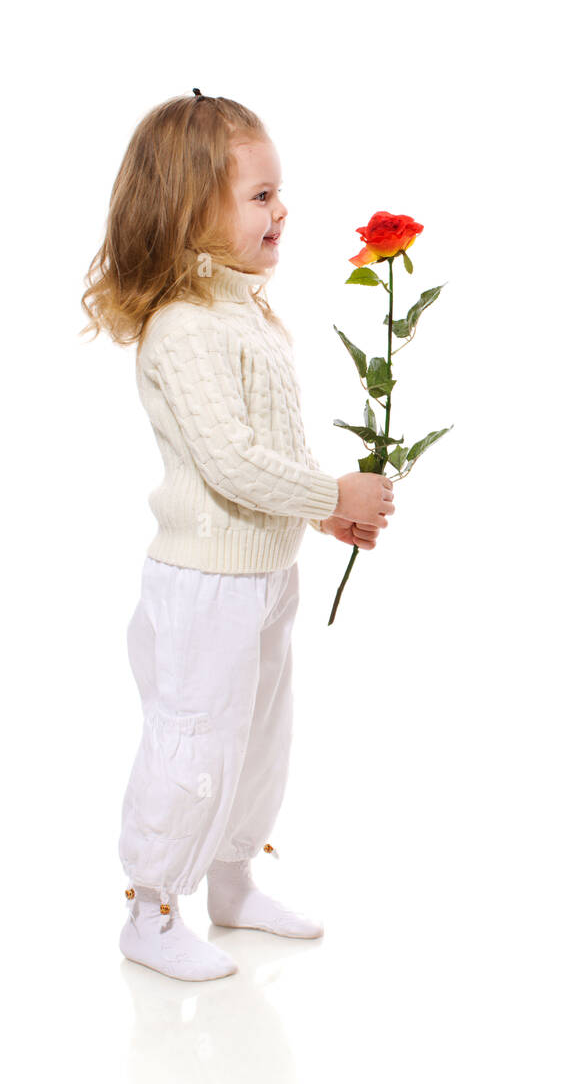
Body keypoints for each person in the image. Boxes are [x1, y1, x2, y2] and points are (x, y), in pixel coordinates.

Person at [81, 90, 396, 981]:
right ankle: (149, 907)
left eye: (277, 192)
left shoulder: (245, 311)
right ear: (191, 210)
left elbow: (271, 453)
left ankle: (232, 882)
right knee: (195, 739)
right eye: (259, 196)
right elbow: (230, 463)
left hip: (263, 574)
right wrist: (329, 488)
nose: (281, 210)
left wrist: (323, 508)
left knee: (258, 737)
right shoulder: (182, 329)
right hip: (205, 583)